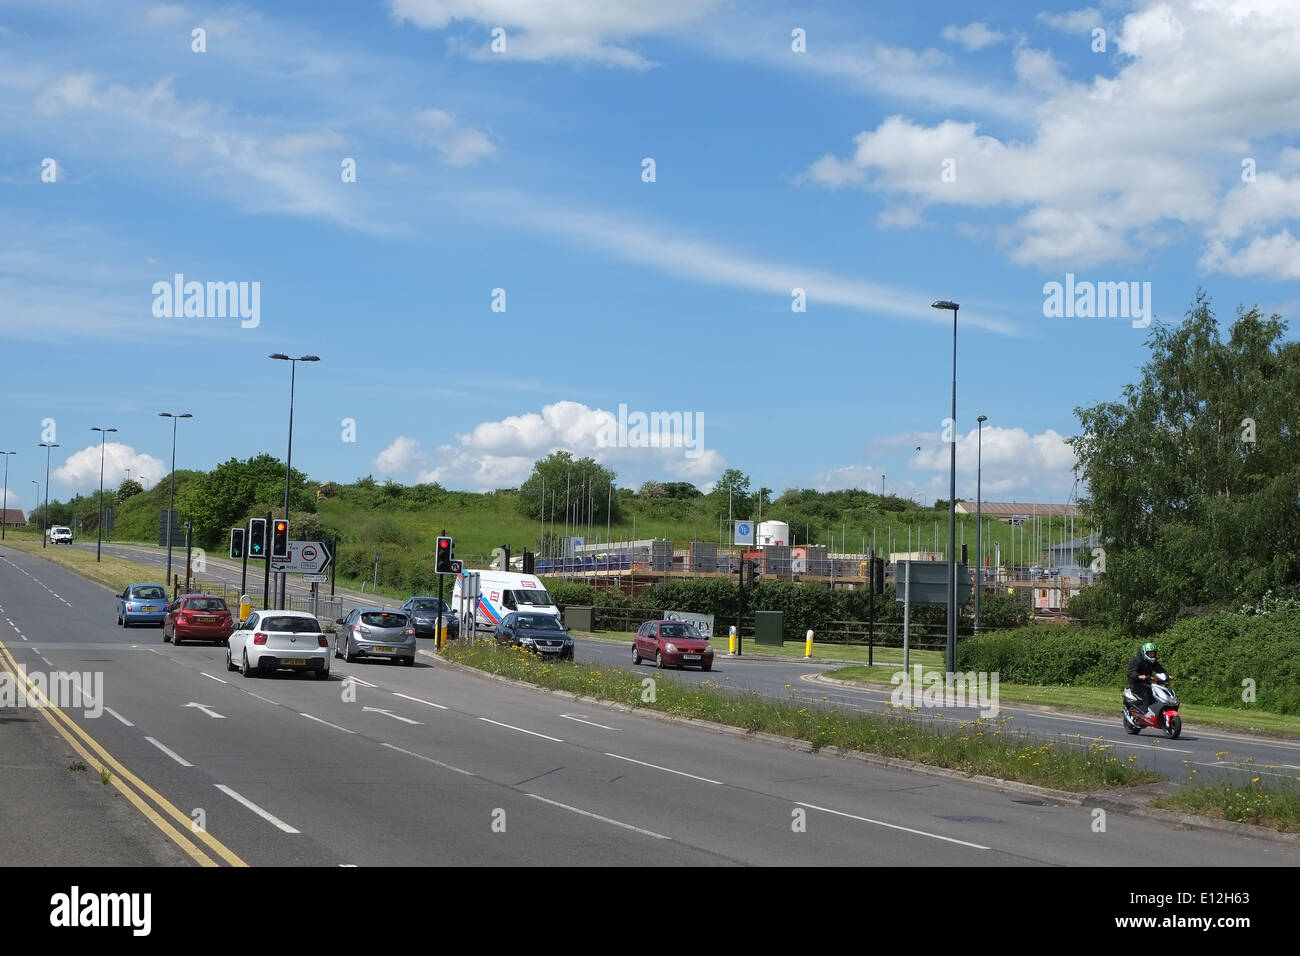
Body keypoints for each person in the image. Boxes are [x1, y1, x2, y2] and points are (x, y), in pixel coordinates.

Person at [1126, 642, 1162, 714]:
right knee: (1147, 694)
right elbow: (1131, 672)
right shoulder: (1137, 660)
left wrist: (1167, 675)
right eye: (1150, 653)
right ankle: (1144, 712)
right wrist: (1138, 676)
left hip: (1147, 683)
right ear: (1145, 653)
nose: (1152, 655)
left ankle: (1156, 713)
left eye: (1153, 653)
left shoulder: (1152, 662)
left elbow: (1160, 669)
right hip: (1136, 683)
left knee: (1157, 694)